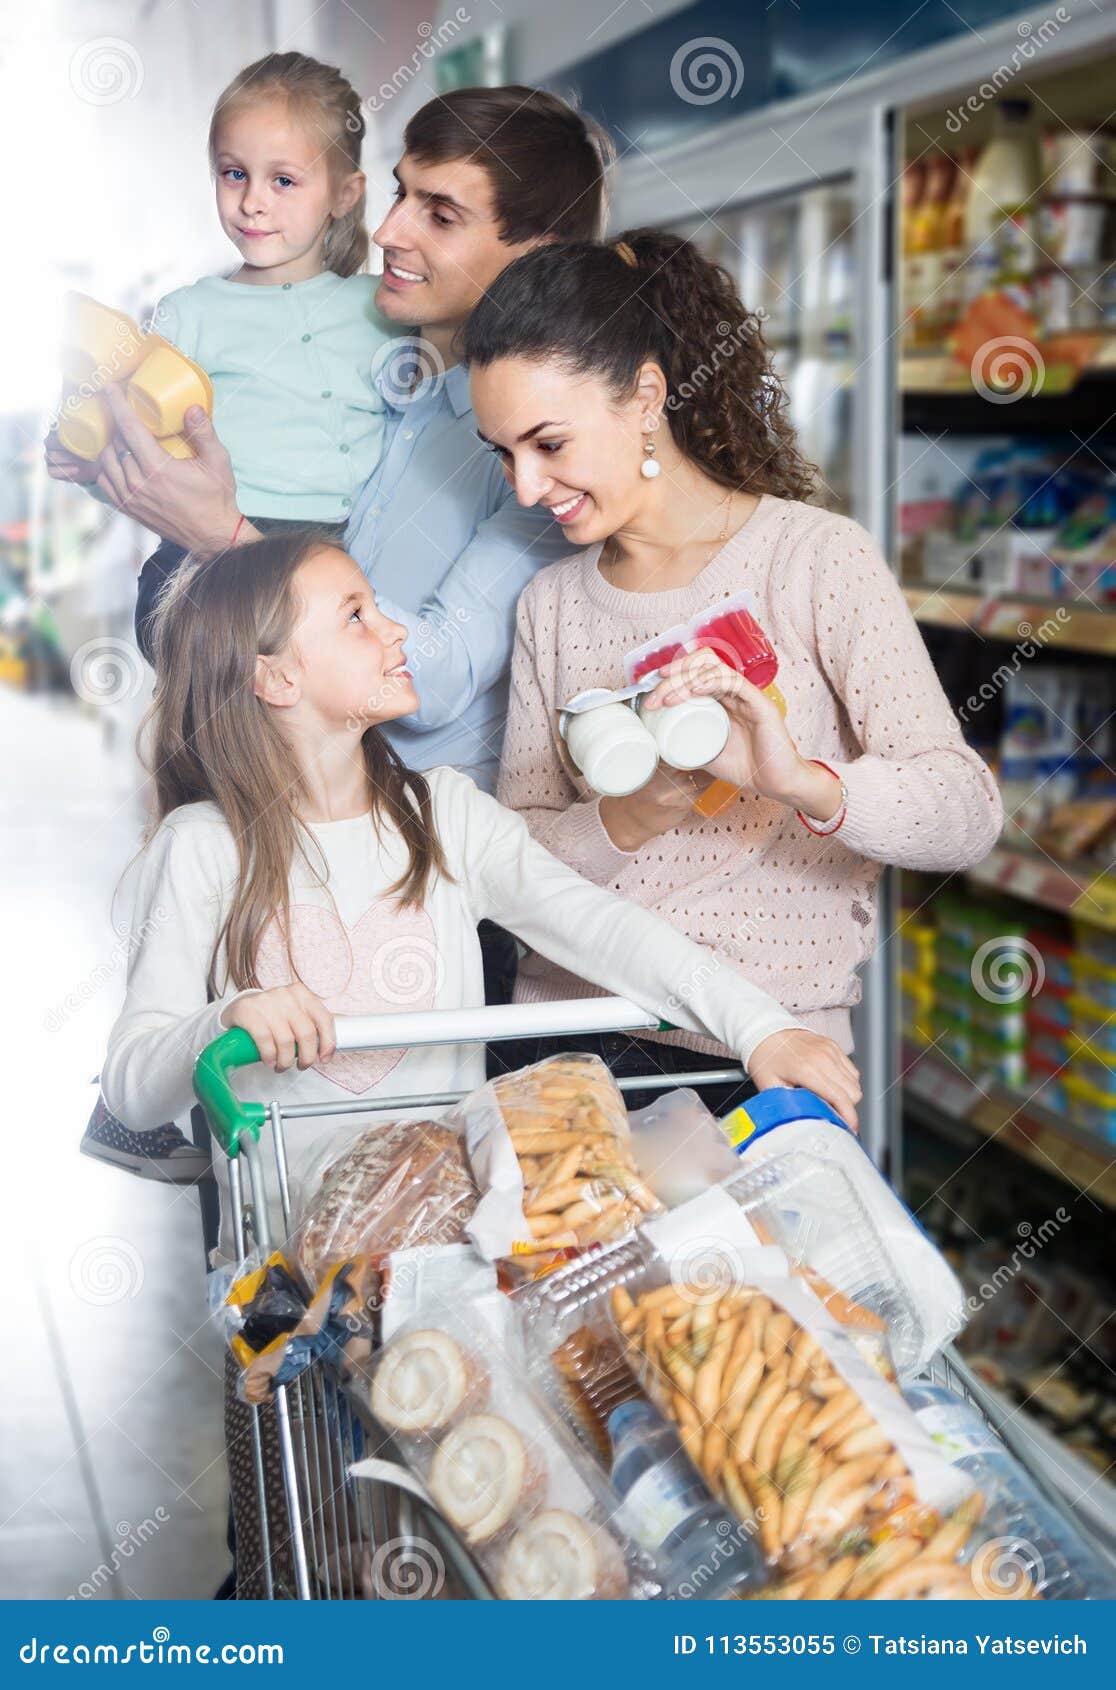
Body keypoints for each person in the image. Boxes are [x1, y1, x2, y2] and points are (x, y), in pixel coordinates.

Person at [462, 229, 1003, 1107]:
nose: (526, 487)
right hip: (561, 1056)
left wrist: (805, 781)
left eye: (548, 444)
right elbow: (511, 862)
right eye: (503, 452)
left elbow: (964, 815)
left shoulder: (813, 559)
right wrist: (629, 816)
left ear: (644, 397)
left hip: (761, 1060)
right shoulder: (552, 604)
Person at [46, 51, 393, 664]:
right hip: (203, 552)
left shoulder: (380, 308)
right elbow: (140, 448)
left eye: (283, 180)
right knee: (228, 711)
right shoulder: (188, 312)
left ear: (344, 193)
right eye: (234, 174)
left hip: (342, 557)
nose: (253, 201)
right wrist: (86, 458)